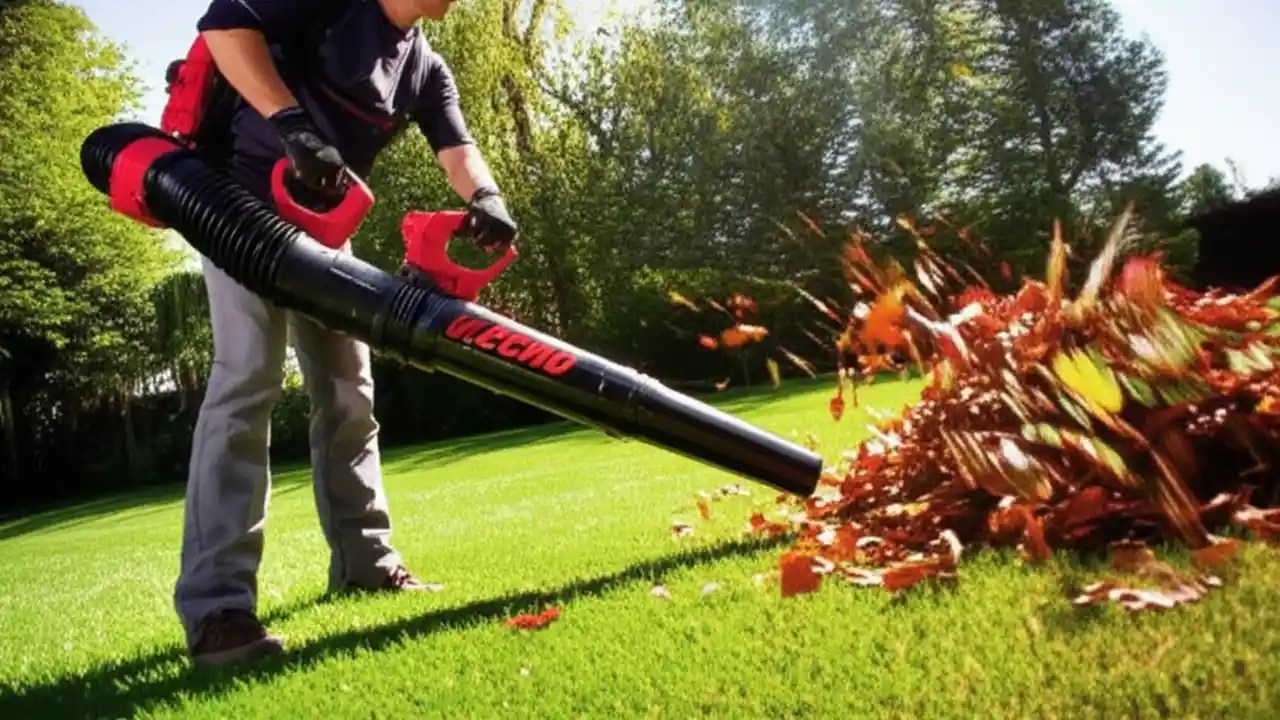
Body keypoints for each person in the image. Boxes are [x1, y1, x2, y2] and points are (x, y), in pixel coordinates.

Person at [173, 0, 518, 667]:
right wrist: (292, 125)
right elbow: (223, 24)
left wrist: (487, 198)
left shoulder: (424, 67)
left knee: (349, 391)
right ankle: (218, 609)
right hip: (239, 204)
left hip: (325, 230)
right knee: (248, 379)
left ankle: (367, 563)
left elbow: (458, 150)